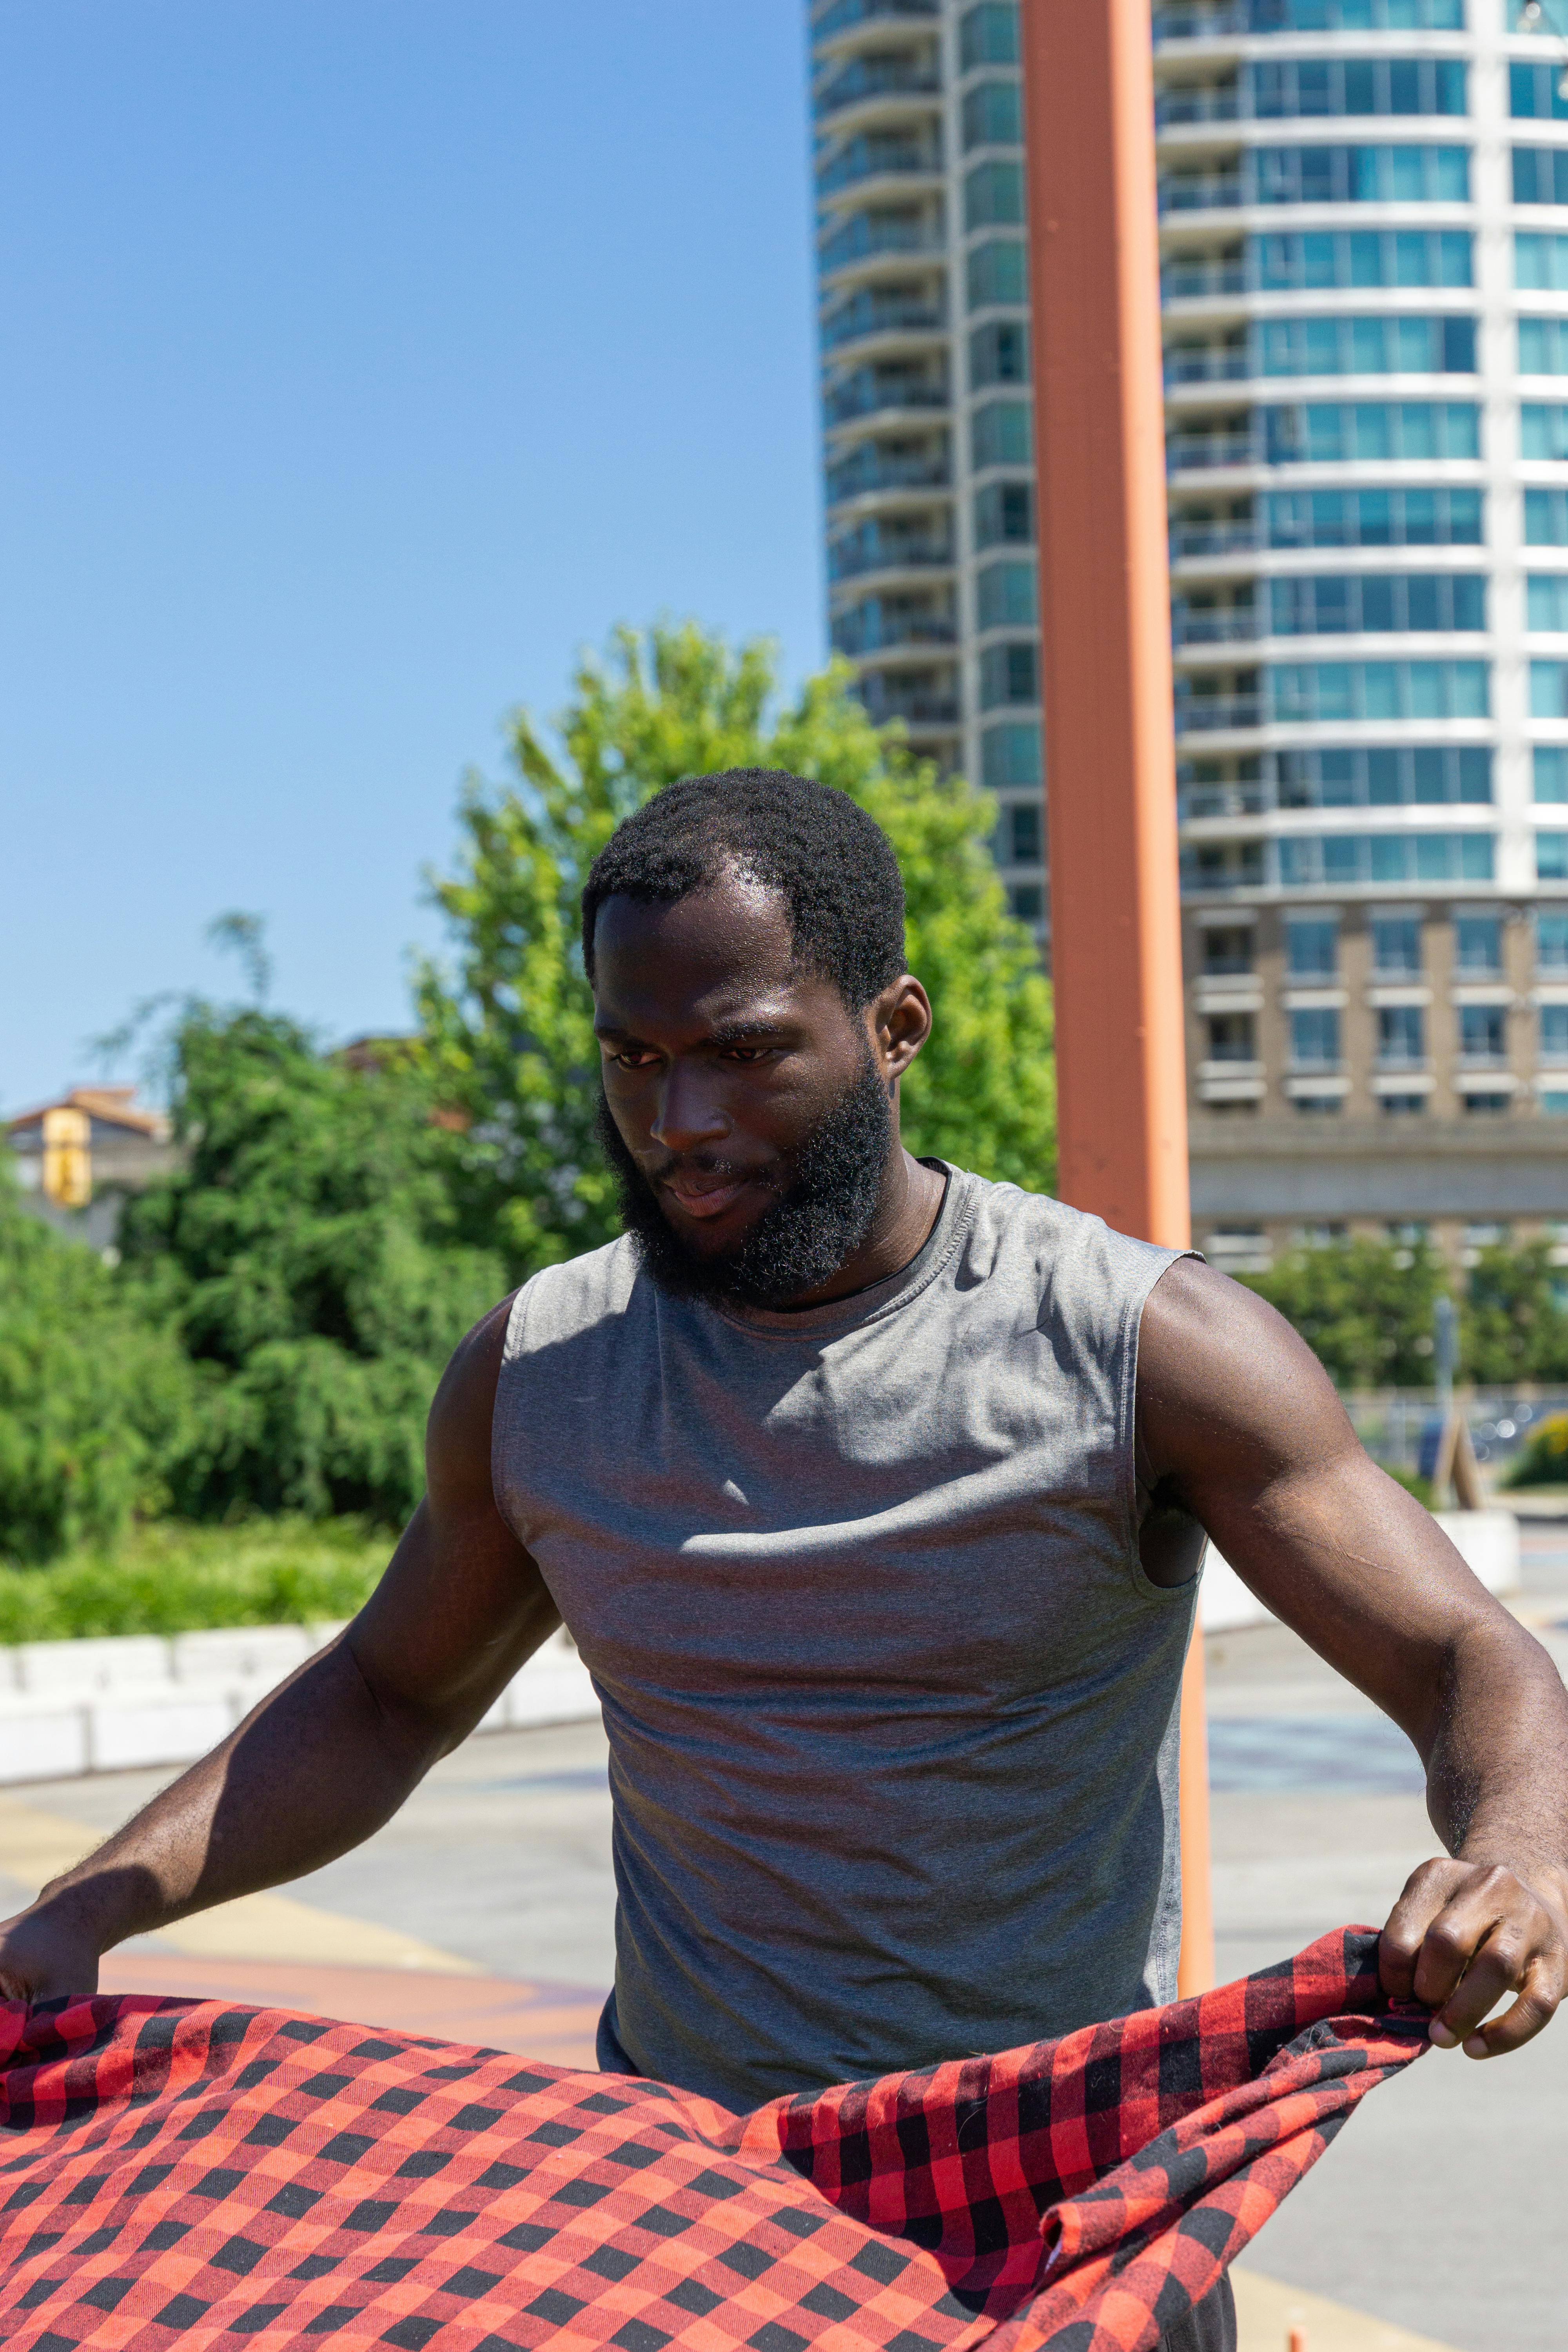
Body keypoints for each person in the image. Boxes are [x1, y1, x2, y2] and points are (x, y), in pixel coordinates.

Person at [2, 771, 1564, 2352]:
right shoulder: (541, 1375)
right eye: (635, 1059)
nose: (681, 1126)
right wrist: (83, 1909)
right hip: (694, 2231)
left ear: (892, 1026)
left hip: (1056, 2224)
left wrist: (1518, 1865)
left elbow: (1467, 1660)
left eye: (744, 1054)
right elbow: (387, 1699)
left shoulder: (1137, 1345)